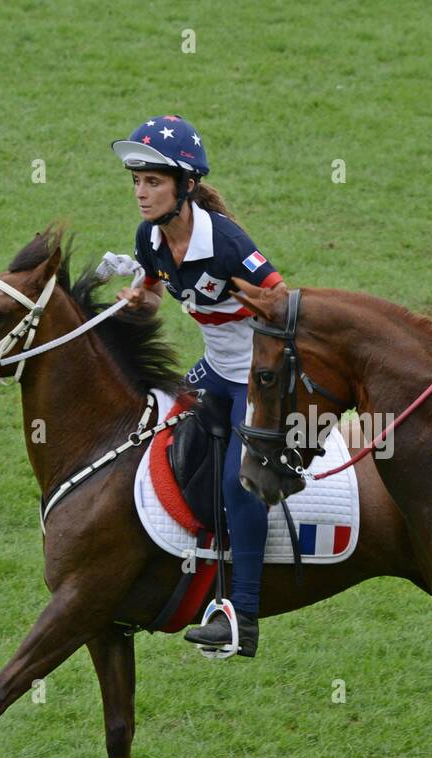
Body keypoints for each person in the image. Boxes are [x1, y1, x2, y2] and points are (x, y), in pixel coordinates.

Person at [110, 115, 285, 657]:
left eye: (153, 181)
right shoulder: (151, 239)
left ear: (185, 186)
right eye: (137, 181)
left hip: (257, 378)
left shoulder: (229, 243)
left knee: (239, 480)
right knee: (151, 435)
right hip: (213, 369)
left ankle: (244, 618)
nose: (141, 193)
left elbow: (284, 305)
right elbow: (154, 289)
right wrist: (137, 300)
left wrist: (264, 336)